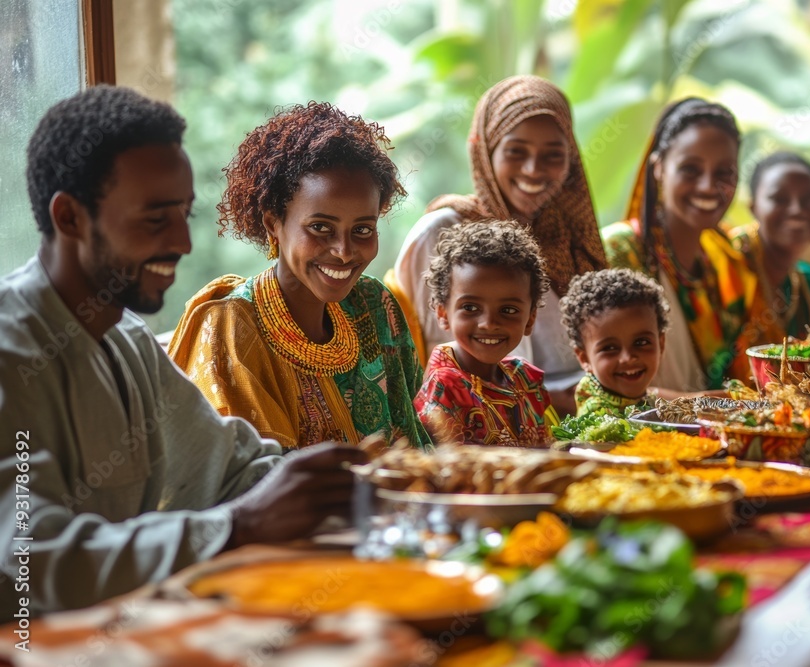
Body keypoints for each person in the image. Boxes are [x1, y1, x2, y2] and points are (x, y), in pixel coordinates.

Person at [0, 86, 364, 615]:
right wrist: (240, 527)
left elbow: (231, 470)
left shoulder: (126, 341)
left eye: (184, 215)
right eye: (155, 219)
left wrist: (348, 487)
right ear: (70, 218)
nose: (184, 243)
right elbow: (29, 562)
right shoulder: (13, 355)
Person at [169, 103, 429, 451]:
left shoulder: (375, 305)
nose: (344, 251)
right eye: (321, 227)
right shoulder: (232, 329)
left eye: (363, 229)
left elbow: (418, 439)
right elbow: (249, 480)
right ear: (272, 222)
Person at [392, 75, 607, 417]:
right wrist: (551, 400)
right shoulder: (442, 233)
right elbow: (432, 370)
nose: (534, 169)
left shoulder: (571, 240)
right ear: (486, 150)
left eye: (553, 154)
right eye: (515, 152)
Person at [602, 98, 760, 395]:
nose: (707, 186)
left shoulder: (726, 262)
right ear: (659, 168)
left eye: (723, 173)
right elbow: (600, 386)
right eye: (690, 169)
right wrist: (710, 404)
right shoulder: (620, 251)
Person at [413, 221, 557, 447]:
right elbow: (450, 469)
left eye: (508, 310)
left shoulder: (524, 379)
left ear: (530, 319)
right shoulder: (445, 387)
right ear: (443, 313)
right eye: (470, 308)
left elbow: (545, 450)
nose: (489, 324)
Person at [729, 152, 810, 340]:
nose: (797, 210)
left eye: (808, 200)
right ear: (753, 207)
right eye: (780, 199)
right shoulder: (726, 272)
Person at [559, 268, 669, 417]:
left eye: (641, 342)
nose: (627, 358)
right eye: (609, 348)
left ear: (661, 344)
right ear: (584, 358)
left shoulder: (646, 403)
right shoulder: (598, 421)